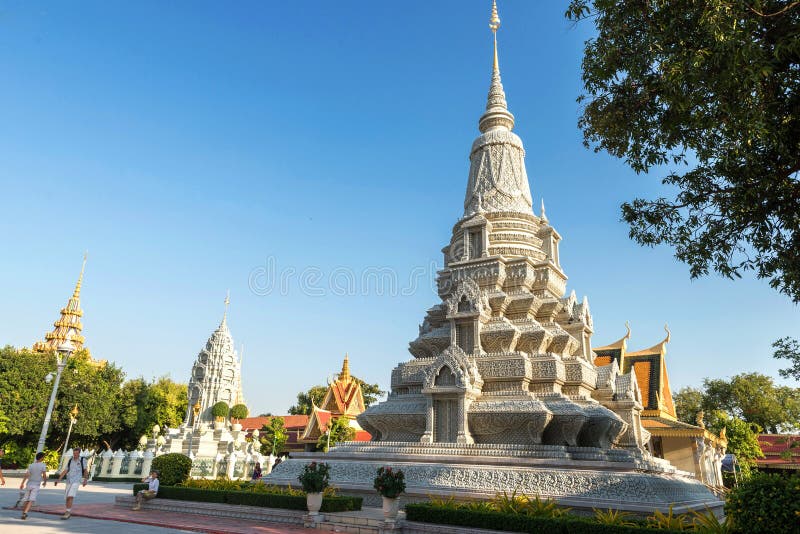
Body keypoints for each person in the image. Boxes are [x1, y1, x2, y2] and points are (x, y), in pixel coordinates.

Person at [54, 447, 89, 520]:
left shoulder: (82, 460)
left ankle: (67, 512)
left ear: (79, 453)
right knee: (67, 497)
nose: (75, 455)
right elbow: (65, 470)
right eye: (74, 453)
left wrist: (85, 480)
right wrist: (58, 480)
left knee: (70, 496)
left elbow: (85, 470)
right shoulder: (70, 460)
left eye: (76, 453)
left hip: (76, 480)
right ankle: (67, 511)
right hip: (69, 480)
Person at [19, 452, 48, 520]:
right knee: (31, 500)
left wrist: (22, 483)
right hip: (36, 484)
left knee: (26, 499)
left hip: (29, 484)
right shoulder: (43, 465)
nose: (44, 458)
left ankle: (23, 513)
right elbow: (44, 475)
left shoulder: (31, 465)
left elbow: (27, 474)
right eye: (43, 457)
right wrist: (45, 482)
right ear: (41, 458)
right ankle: (25, 513)